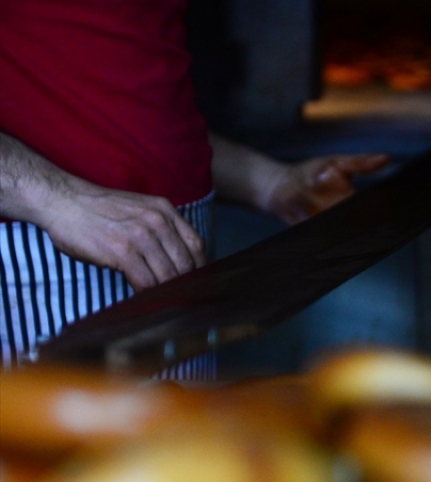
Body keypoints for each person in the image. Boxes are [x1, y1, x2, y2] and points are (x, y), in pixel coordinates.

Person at [0, 0, 388, 376]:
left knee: (179, 440)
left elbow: (124, 110)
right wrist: (58, 200)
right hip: (46, 263)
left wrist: (270, 182)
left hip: (176, 270)